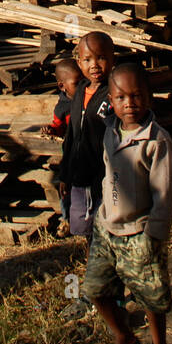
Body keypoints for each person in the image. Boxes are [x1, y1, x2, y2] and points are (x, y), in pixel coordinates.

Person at [81, 61, 172, 344]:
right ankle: (124, 337)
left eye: (137, 96)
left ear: (149, 98)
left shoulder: (156, 141)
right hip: (107, 228)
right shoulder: (110, 131)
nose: (129, 104)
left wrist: (155, 235)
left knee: (150, 298)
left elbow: (165, 193)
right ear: (111, 99)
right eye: (121, 97)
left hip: (140, 233)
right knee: (95, 289)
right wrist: (101, 216)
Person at [58, 32, 116, 243]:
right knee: (88, 232)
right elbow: (71, 134)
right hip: (80, 176)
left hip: (105, 176)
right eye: (87, 59)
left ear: (112, 59)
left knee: (108, 230)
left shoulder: (114, 92)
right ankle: (94, 272)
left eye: (101, 58)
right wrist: (65, 173)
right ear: (79, 62)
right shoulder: (81, 90)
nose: (94, 65)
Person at [40, 58, 84, 141]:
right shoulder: (62, 108)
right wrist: (51, 130)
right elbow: (59, 128)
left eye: (84, 81)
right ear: (62, 86)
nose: (82, 86)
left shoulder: (89, 96)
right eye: (77, 83)